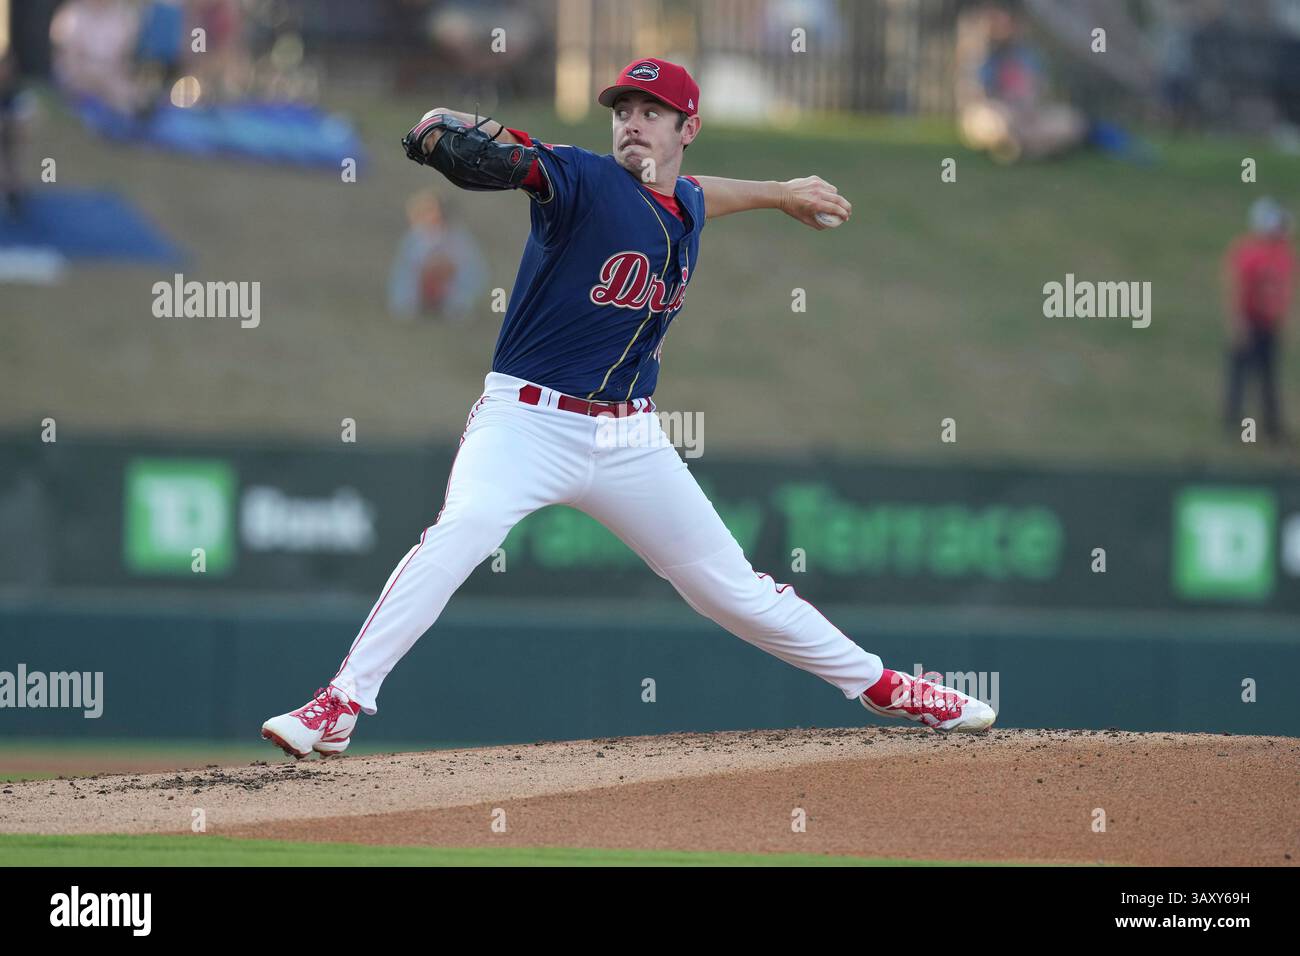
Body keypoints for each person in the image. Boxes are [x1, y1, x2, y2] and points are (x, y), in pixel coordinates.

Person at [261, 58, 996, 758]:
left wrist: (780, 191)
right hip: (526, 421)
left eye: (654, 112)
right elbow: (513, 158)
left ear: (688, 128)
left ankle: (881, 685)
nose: (634, 122)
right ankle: (342, 702)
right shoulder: (579, 178)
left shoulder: (688, 203)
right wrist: (439, 133)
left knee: (732, 591)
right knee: (466, 528)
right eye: (624, 110)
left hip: (629, 440)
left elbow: (701, 194)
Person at [1224, 197, 1295, 442]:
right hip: (1251, 319)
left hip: (1268, 323)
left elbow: (1281, 289)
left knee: (1268, 375)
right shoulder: (1249, 252)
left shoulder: (1282, 252)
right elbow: (1239, 287)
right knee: (1241, 374)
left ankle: (1271, 425)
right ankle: (1233, 422)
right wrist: (1239, 322)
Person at [387, 190, 486, 323]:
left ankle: (452, 307)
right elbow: (405, 271)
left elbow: (474, 273)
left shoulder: (460, 239)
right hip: (419, 295)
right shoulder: (413, 239)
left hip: (450, 293)